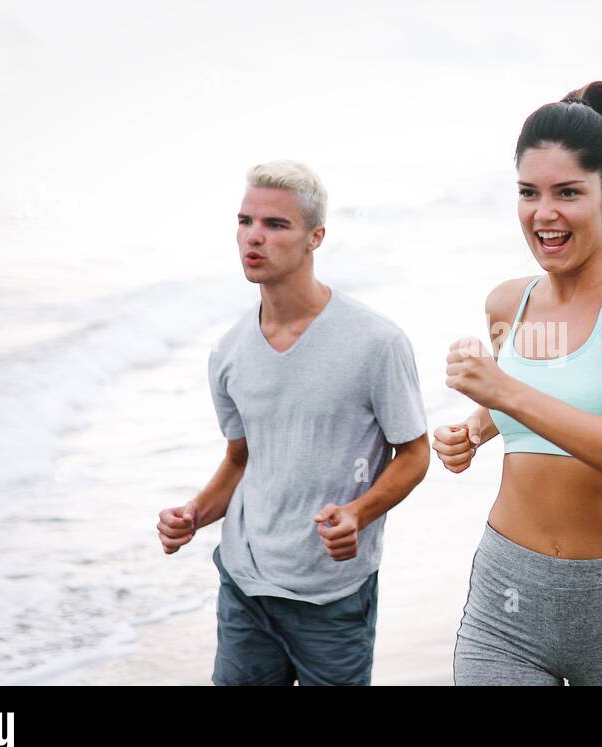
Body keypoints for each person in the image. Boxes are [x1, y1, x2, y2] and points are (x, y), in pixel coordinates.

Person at [434, 81, 602, 685]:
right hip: (505, 604)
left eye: (567, 193)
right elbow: (546, 392)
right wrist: (474, 429)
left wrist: (504, 394)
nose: (544, 213)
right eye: (529, 193)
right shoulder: (509, 301)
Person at [156, 160, 430, 685]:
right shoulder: (229, 353)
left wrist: (359, 512)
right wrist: (194, 513)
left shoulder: (377, 343)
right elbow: (241, 459)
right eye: (245, 222)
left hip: (331, 596)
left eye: (275, 225)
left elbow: (414, 455)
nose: (253, 237)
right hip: (245, 585)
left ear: (315, 237)